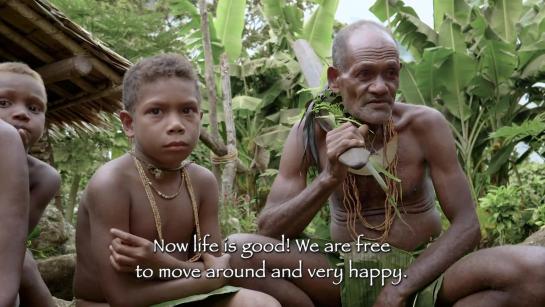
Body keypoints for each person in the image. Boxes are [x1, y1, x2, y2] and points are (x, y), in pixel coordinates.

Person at [227, 20, 545, 307]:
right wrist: (329, 178)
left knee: (537, 269)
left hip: (424, 273)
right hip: (341, 274)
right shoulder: (311, 133)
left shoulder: (425, 125)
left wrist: (399, 290)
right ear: (336, 79)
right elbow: (269, 228)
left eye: (390, 73)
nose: (380, 87)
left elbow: (467, 225)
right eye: (365, 74)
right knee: (238, 252)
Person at [73, 54, 280, 307]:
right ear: (129, 124)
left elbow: (213, 264)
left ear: (199, 117)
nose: (176, 124)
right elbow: (123, 297)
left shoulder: (201, 181)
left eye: (187, 110)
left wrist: (163, 262)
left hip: (180, 294)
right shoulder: (111, 184)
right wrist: (207, 279)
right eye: (156, 111)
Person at [0, 62, 61, 307]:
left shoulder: (44, 178)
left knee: (24, 264)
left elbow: (13, 244)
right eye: (3, 103)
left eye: (34, 108)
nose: (22, 113)